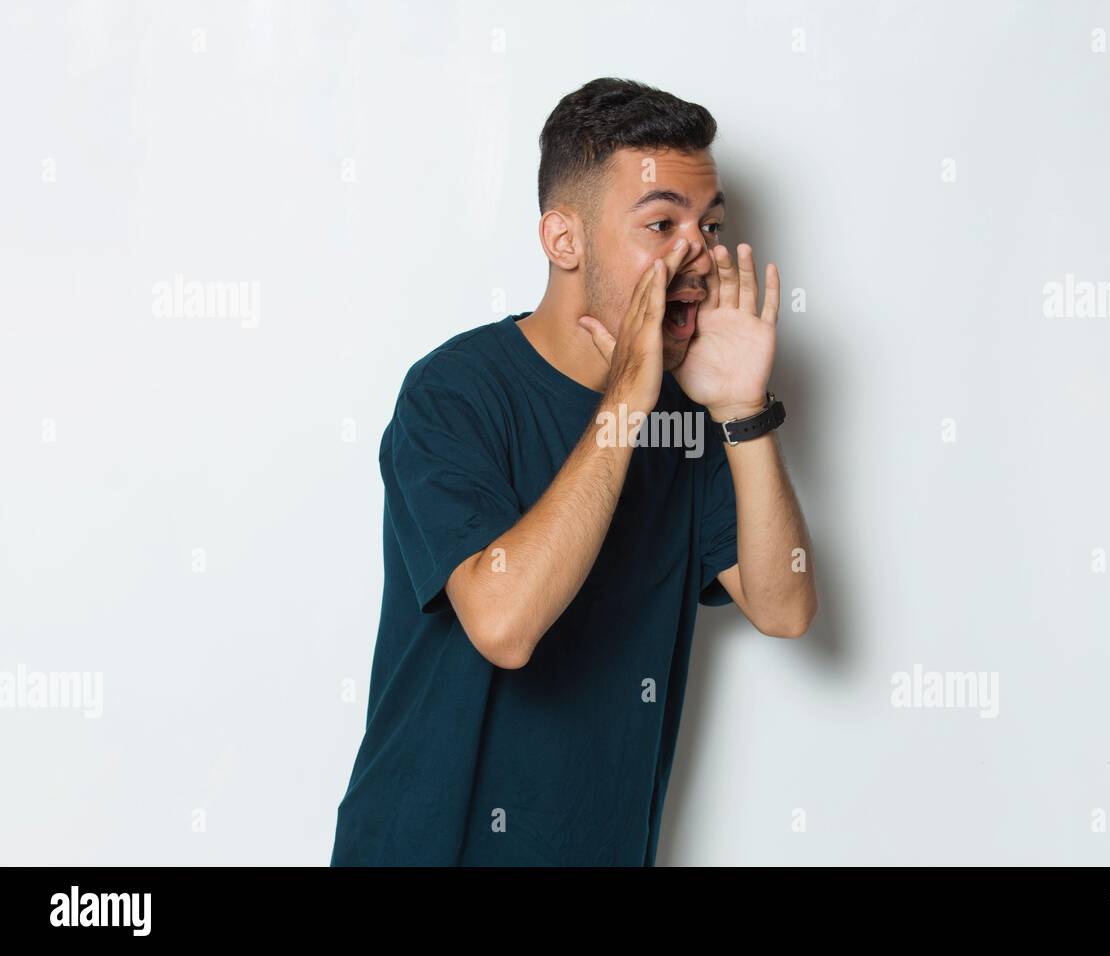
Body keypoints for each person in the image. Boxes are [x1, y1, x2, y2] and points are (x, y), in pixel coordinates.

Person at [330, 77, 817, 866]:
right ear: (564, 240)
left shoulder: (689, 417)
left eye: (710, 224)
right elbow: (505, 624)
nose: (697, 250)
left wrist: (740, 409)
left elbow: (785, 606)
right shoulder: (453, 392)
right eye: (662, 223)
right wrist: (629, 390)